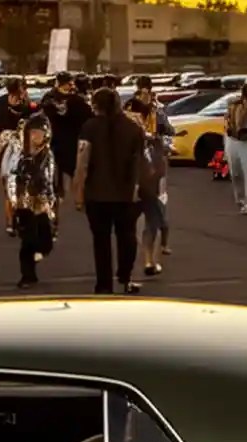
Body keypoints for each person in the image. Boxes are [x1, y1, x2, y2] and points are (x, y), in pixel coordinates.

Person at [74, 87, 145, 295]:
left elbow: (82, 162)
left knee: (101, 241)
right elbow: (138, 163)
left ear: (96, 105)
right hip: (126, 194)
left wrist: (79, 192)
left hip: (96, 194)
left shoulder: (89, 127)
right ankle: (125, 276)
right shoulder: (133, 129)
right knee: (127, 236)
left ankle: (104, 284)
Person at [6, 114, 57, 289]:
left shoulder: (47, 155)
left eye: (38, 132)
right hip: (24, 200)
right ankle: (27, 275)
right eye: (32, 133)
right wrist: (13, 198)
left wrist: (51, 199)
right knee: (27, 239)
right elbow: (11, 176)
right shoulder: (20, 154)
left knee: (46, 237)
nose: (34, 136)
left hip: (41, 200)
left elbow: (50, 178)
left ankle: (40, 251)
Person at [42, 71, 94, 236]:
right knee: (74, 172)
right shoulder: (77, 100)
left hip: (55, 140)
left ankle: (60, 198)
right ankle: (76, 199)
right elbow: (88, 117)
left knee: (58, 172)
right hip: (70, 140)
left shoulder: (49, 99)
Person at [0, 76, 36, 235]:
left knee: (11, 187)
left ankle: (11, 222)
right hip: (17, 149)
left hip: (6, 149)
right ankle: (18, 219)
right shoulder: (29, 107)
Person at [128, 98, 169, 276]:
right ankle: (131, 265)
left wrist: (160, 186)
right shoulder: (125, 138)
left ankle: (148, 261)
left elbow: (160, 164)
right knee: (128, 227)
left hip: (150, 187)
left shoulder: (153, 140)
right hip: (132, 187)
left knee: (153, 224)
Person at [224, 82, 247, 215]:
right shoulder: (234, 105)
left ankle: (246, 202)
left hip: (246, 143)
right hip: (232, 140)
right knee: (235, 172)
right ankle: (239, 198)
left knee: (246, 171)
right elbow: (227, 119)